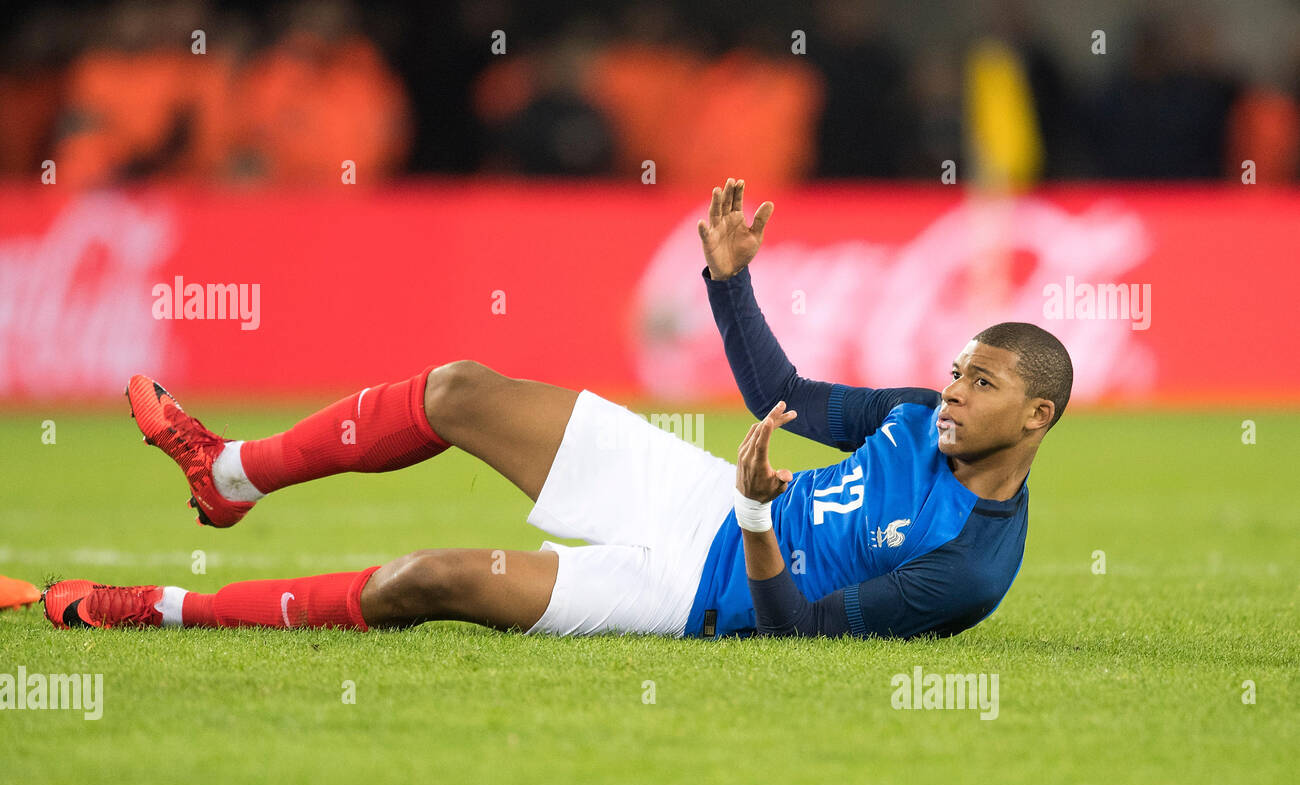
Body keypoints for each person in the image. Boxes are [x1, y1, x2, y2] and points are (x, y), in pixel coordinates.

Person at [43, 179, 1071, 640]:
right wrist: (726, 284)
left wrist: (759, 515)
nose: (948, 390)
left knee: (429, 578)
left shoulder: (967, 567)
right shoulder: (906, 417)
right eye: (954, 369)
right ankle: (227, 474)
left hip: (692, 593)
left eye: (979, 384)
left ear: (1036, 418)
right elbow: (783, 398)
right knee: (457, 388)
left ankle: (154, 607)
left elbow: (794, 630)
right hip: (701, 494)